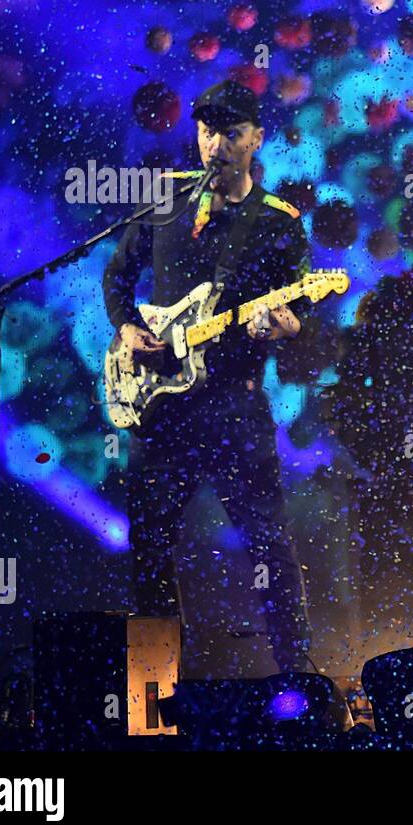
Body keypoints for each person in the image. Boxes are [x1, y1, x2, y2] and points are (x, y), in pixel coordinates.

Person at [103, 79, 318, 672]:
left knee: (269, 545)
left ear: (256, 140)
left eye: (229, 132)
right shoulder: (165, 202)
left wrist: (285, 327)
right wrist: (126, 329)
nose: (214, 143)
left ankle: (299, 683)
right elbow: (118, 276)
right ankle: (155, 687)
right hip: (164, 411)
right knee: (148, 549)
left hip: (234, 411)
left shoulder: (277, 222)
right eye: (205, 130)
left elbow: (301, 307)